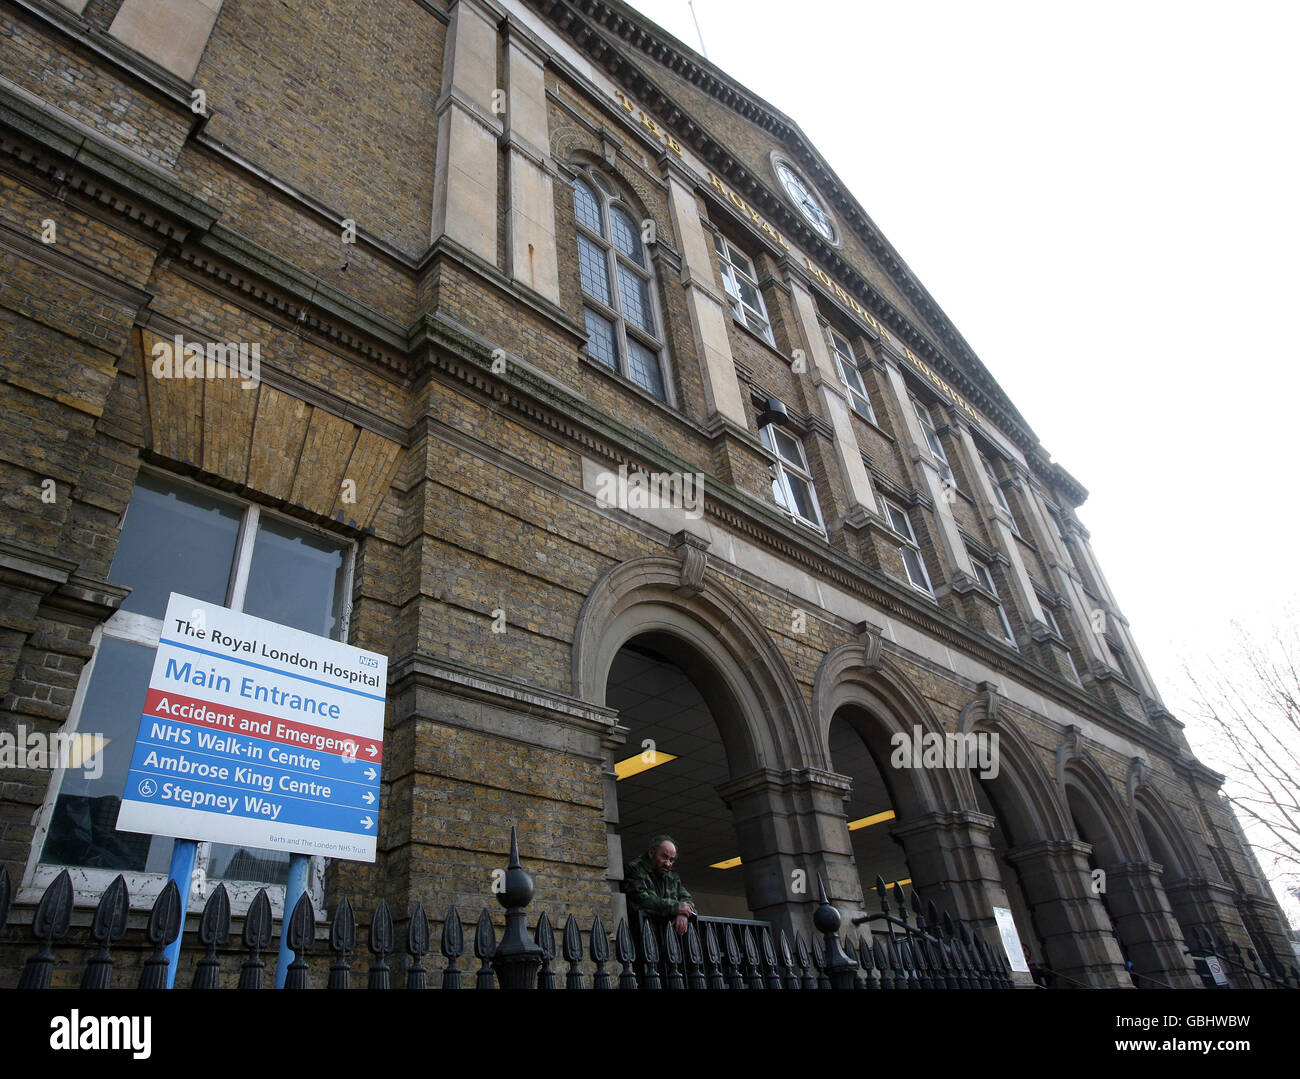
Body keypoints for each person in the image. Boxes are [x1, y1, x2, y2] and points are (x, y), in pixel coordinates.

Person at [624, 835, 696, 939]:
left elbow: (687, 900)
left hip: (668, 939)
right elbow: (643, 900)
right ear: (651, 853)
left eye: (671, 860)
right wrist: (676, 908)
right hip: (642, 937)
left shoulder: (672, 875)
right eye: (664, 857)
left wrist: (683, 914)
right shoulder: (634, 869)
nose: (668, 864)